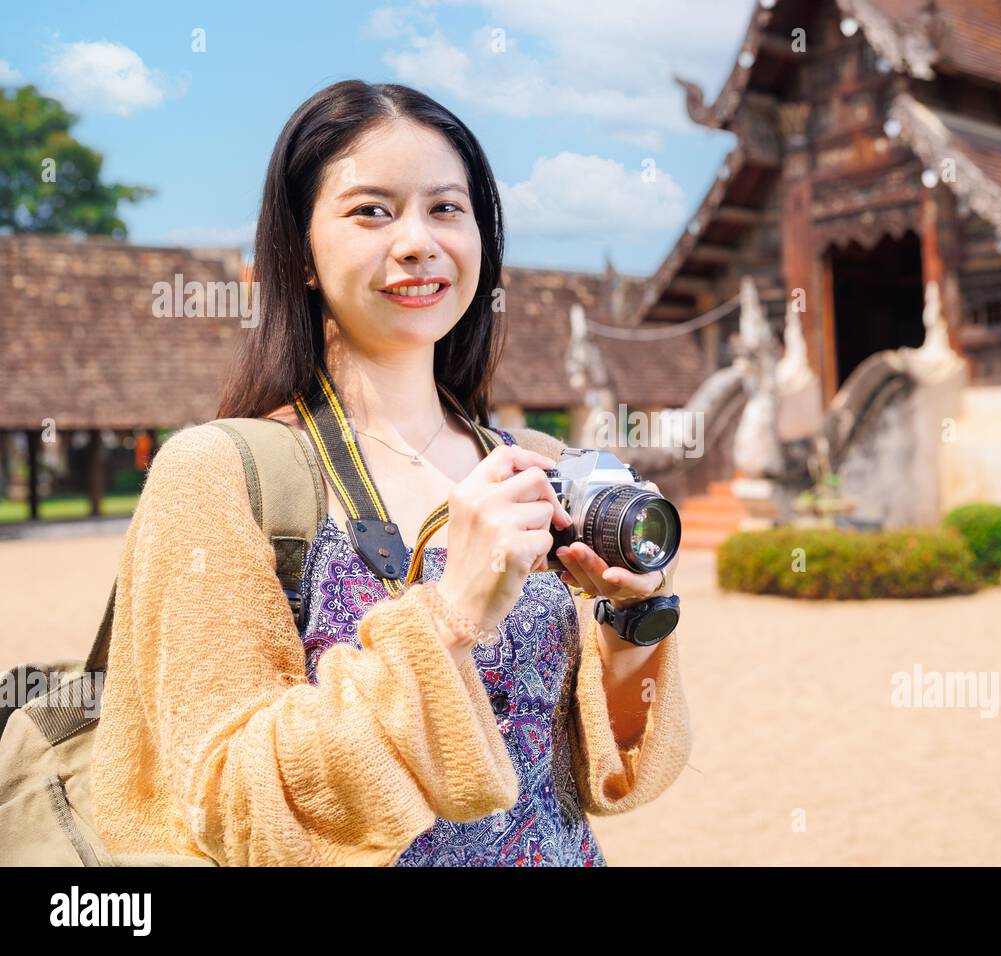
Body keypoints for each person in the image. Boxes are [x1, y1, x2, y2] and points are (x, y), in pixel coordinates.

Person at [90, 80, 691, 866]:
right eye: (372, 211)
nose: (418, 241)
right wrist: (451, 613)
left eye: (446, 208)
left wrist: (633, 621)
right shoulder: (218, 476)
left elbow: (601, 773)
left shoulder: (535, 464)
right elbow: (231, 803)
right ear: (300, 256)